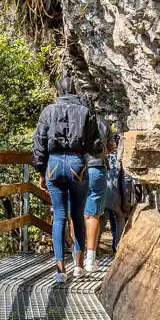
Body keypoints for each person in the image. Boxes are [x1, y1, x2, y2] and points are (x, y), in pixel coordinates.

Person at [30, 74, 104, 282]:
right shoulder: (85, 112)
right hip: (76, 164)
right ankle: (79, 266)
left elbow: (39, 144)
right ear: (74, 90)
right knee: (78, 215)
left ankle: (60, 270)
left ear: (58, 92)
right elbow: (96, 147)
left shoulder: (48, 112)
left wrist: (41, 171)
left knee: (60, 216)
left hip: (53, 164)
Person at [85, 131, 132, 268]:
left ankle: (93, 249)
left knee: (99, 218)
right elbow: (126, 180)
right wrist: (127, 200)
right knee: (119, 217)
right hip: (113, 195)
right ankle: (117, 247)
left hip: (98, 193)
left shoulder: (97, 157)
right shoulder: (118, 159)